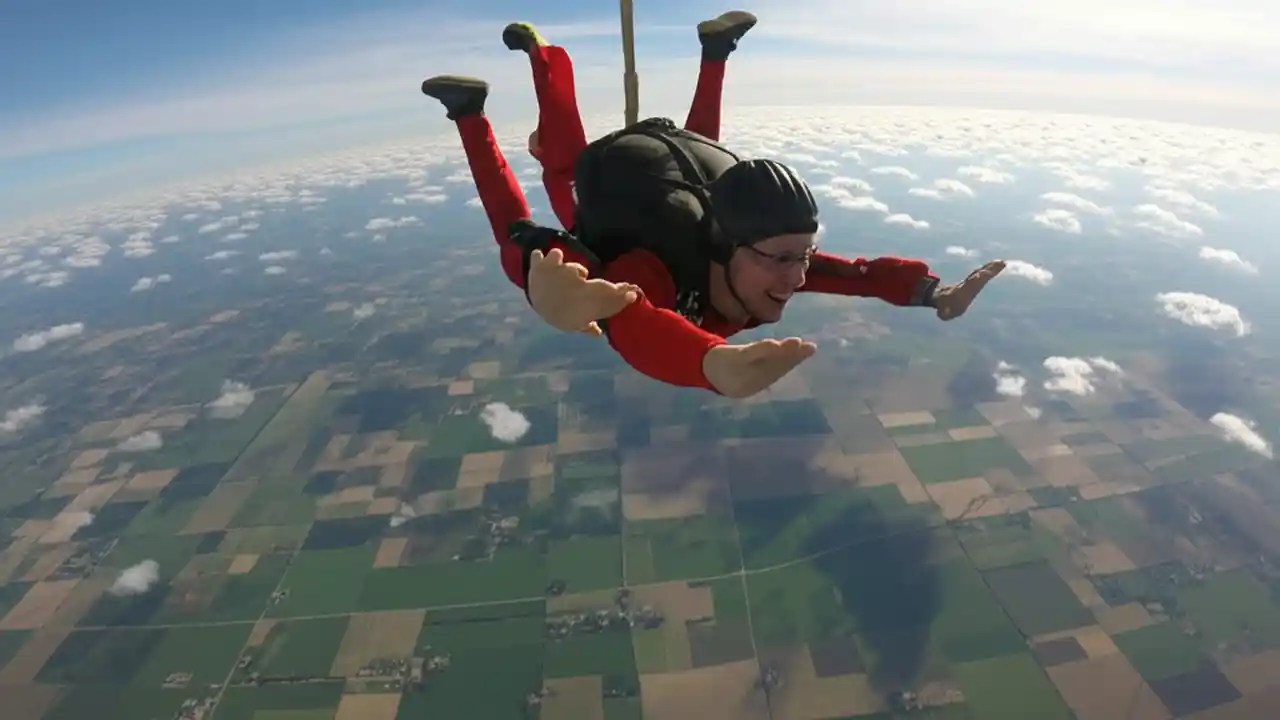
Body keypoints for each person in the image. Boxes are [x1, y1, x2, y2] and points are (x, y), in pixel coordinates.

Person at [421, 13, 1005, 399]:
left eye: (803, 256)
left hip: (678, 171)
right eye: (783, 258)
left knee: (705, 161)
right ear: (731, 248)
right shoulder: (655, 271)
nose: (798, 275)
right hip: (621, 206)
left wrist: (933, 293)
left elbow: (855, 275)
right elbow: (636, 322)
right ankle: (471, 111)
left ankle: (712, 52)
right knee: (538, 207)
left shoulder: (765, 260)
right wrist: (710, 365)